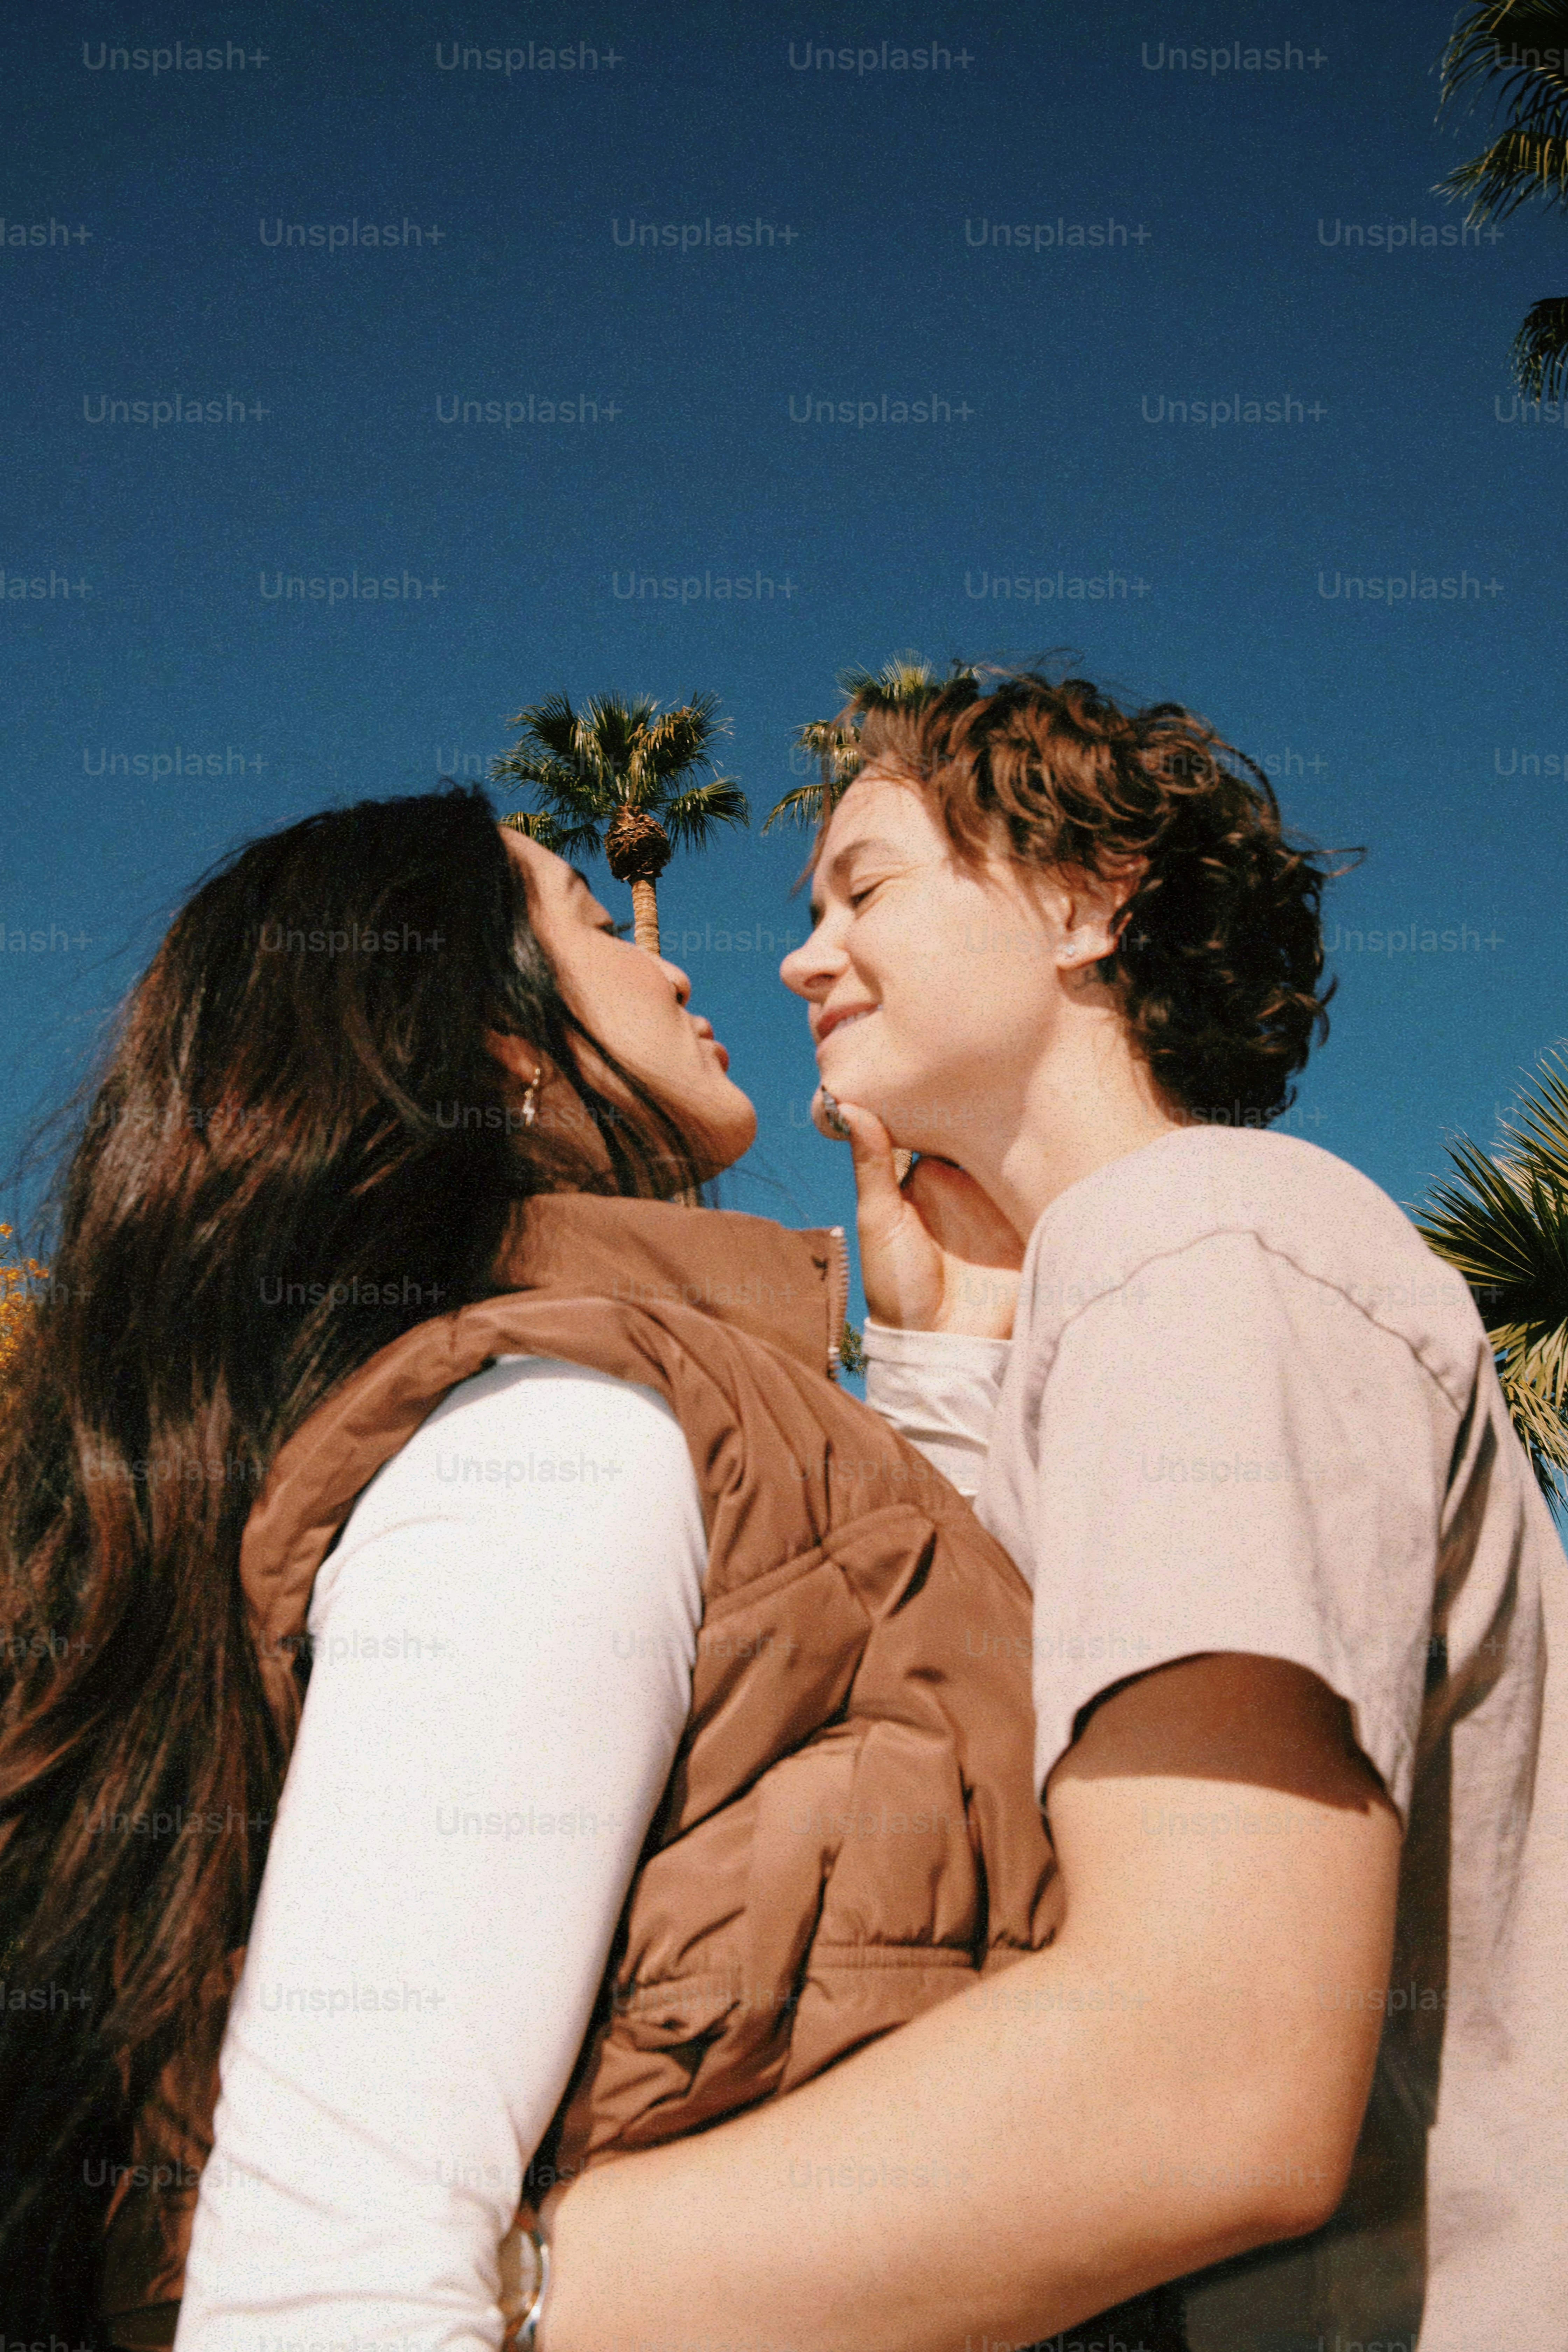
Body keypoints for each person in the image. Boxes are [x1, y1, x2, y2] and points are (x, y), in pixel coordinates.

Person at [528, 673, 1568, 2352]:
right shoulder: (1124, 1290)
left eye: (866, 889)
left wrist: (478, 2288)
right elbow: (982, 1851)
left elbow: (1203, 2075)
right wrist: (940, 1355)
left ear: (1086, 904)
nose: (799, 958)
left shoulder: (1206, 1237)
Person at [0, 785, 1097, 2352]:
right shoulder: (554, 1438)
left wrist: (937, 1369)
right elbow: (333, 2270)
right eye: (590, 925)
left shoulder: (667, 1424)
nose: (685, 969)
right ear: (501, 1054)